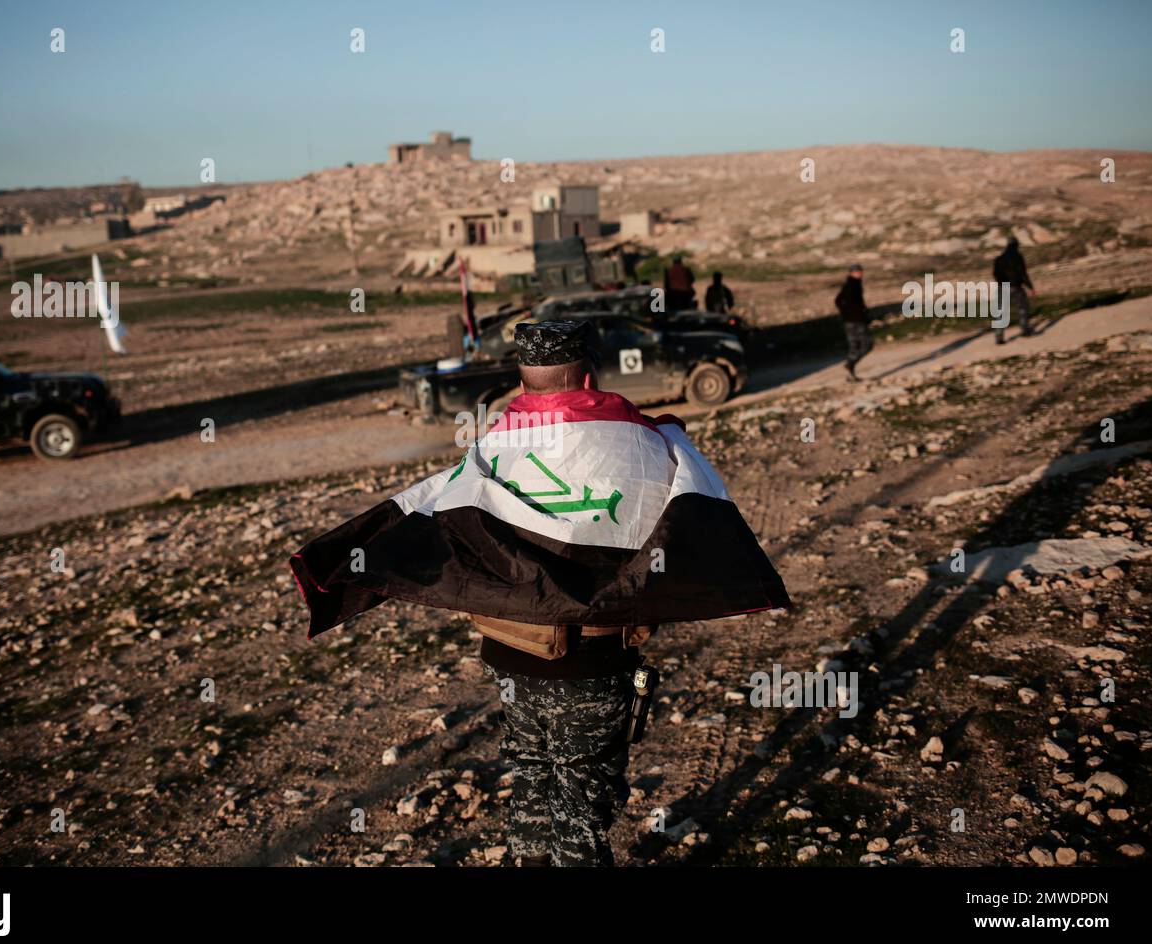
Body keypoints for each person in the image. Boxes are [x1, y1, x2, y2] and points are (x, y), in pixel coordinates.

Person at [288, 319, 789, 867]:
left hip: (511, 655)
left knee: (531, 775)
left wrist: (345, 564)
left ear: (523, 380)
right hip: (593, 660)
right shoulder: (646, 446)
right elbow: (689, 519)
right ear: (590, 375)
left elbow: (432, 511)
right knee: (584, 794)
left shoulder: (489, 450)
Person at [993, 236, 1035, 344]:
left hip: (1003, 287)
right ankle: (1025, 330)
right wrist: (1030, 287)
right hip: (1016, 287)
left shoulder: (999, 259)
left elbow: (995, 274)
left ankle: (999, 337)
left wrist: (1001, 283)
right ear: (1016, 245)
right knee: (1023, 308)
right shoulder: (1018, 257)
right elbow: (1023, 274)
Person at [835, 263, 872, 382]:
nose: (859, 273)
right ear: (851, 273)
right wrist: (851, 312)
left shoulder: (855, 284)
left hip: (852, 320)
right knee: (866, 344)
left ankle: (850, 372)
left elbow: (840, 301)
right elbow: (839, 301)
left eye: (860, 271)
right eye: (856, 272)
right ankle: (850, 364)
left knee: (855, 347)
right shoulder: (851, 285)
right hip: (855, 321)